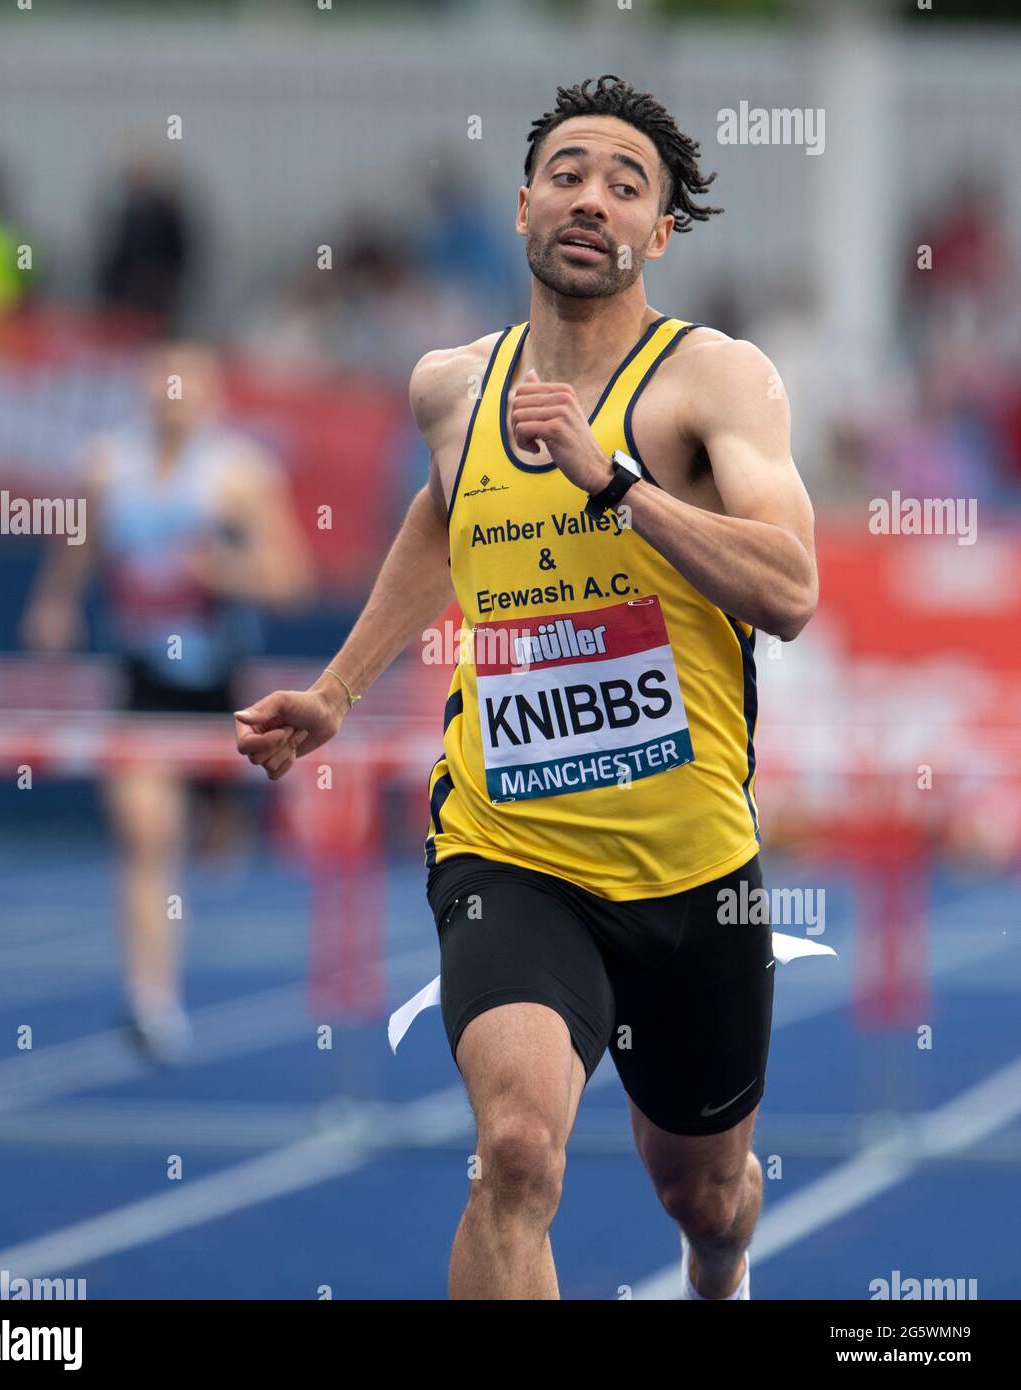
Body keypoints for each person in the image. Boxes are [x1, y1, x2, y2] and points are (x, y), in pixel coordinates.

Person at [234, 74, 817, 1300]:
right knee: (514, 1152)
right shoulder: (452, 386)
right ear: (520, 208)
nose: (590, 199)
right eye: (567, 173)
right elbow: (444, 520)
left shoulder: (714, 382)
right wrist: (339, 690)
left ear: (659, 234)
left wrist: (613, 484)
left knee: (704, 1190)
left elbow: (791, 589)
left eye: (624, 185)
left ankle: (719, 1270)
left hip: (690, 868)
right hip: (512, 850)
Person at [23, 340, 313, 1062]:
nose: (171, 395)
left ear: (212, 395)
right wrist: (54, 604)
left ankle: (219, 823)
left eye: (185, 385)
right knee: (145, 836)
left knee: (212, 848)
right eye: (160, 382)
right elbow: (79, 549)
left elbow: (290, 577)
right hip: (139, 679)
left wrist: (222, 569)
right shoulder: (105, 464)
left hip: (217, 682)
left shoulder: (239, 475)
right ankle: (153, 1001)